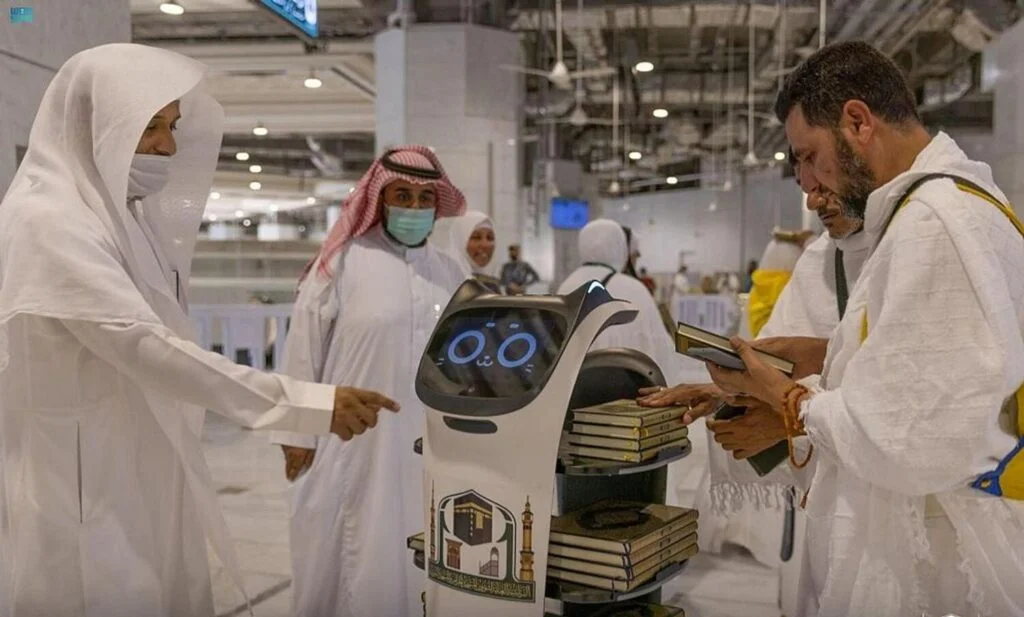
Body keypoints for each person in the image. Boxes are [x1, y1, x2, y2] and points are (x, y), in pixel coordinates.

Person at [0, 44, 397, 617]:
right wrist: (303, 405)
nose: (168, 146)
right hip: (82, 487)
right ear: (95, 126)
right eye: (150, 128)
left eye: (173, 126)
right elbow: (144, 345)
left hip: (139, 466)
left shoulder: (120, 217)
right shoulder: (48, 220)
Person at [706, 41, 1024, 616]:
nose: (805, 184)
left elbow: (901, 436)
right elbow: (939, 376)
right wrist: (817, 355)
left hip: (935, 568)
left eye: (808, 155)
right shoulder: (959, 204)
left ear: (857, 121)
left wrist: (789, 401)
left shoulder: (932, 222)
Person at [270, 146, 468, 617]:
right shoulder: (342, 262)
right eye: (403, 195)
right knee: (350, 548)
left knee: (420, 545)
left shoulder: (451, 272)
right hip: (353, 442)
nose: (415, 208)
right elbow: (304, 350)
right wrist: (298, 433)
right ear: (380, 198)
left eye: (425, 198)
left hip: (430, 442)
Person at [558, 220, 708, 508]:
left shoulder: (563, 287)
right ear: (621, 248)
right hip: (631, 420)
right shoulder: (632, 289)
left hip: (575, 423)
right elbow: (660, 357)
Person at [432, 211, 502, 293]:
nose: (485, 245)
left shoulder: (493, 283)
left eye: (490, 238)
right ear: (459, 241)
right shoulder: (446, 282)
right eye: (476, 237)